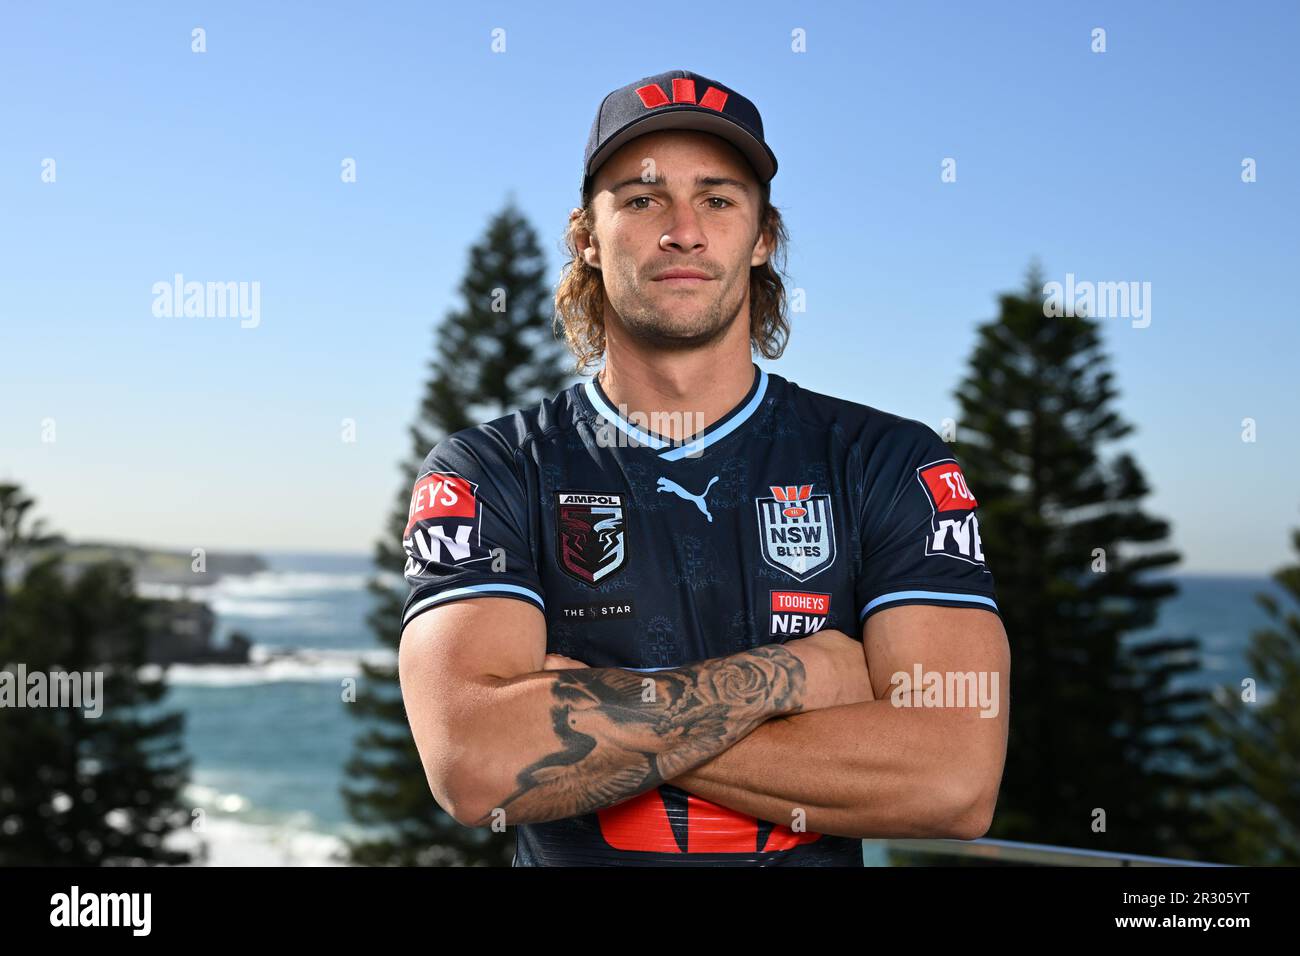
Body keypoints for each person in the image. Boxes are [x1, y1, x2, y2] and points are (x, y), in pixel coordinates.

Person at [398, 69, 1010, 866]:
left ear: (762, 239)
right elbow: (474, 765)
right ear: (587, 235)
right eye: (643, 199)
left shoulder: (889, 463)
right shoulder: (493, 471)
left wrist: (584, 715)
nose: (683, 231)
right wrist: (794, 675)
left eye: (718, 200)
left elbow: (954, 780)